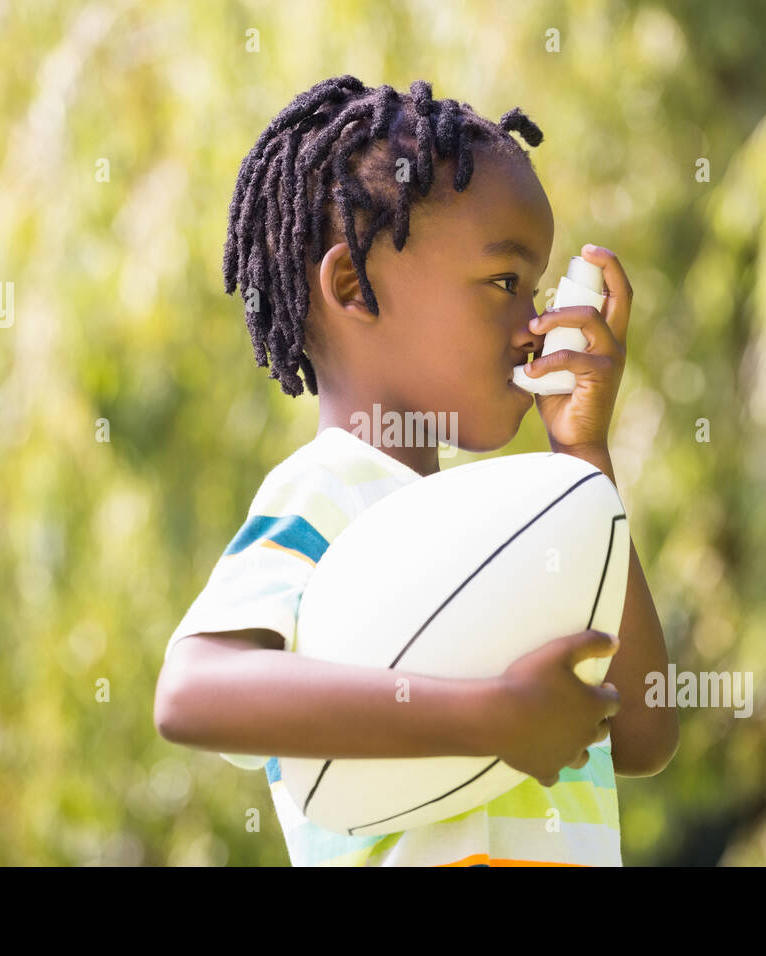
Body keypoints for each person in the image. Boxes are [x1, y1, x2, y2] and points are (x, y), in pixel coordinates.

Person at [153, 75, 677, 866]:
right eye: (505, 284)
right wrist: (490, 720)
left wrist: (584, 462)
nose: (535, 326)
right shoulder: (327, 491)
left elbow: (642, 733)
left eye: (535, 292)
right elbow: (193, 692)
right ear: (354, 287)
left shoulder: (524, 526)